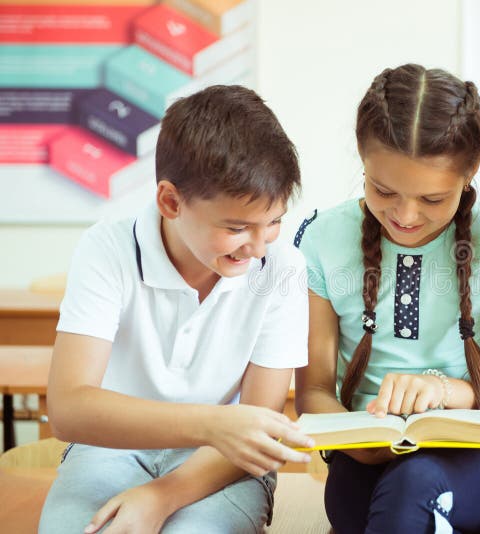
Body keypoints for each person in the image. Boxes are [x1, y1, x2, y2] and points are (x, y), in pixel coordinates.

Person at [39, 85, 314, 534]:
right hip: (110, 447)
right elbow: (68, 409)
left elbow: (255, 429)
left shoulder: (283, 267)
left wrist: (161, 496)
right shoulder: (108, 248)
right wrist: (212, 423)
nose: (259, 246)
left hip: (223, 461)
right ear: (170, 201)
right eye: (237, 227)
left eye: (274, 222)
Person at [293, 63, 480, 533]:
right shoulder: (322, 238)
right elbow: (314, 394)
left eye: (432, 199)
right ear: (362, 160)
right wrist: (361, 440)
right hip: (363, 457)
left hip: (478, 454)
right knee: (395, 498)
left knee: (415, 487)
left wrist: (446, 392)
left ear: (470, 174)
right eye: (383, 190)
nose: (405, 215)